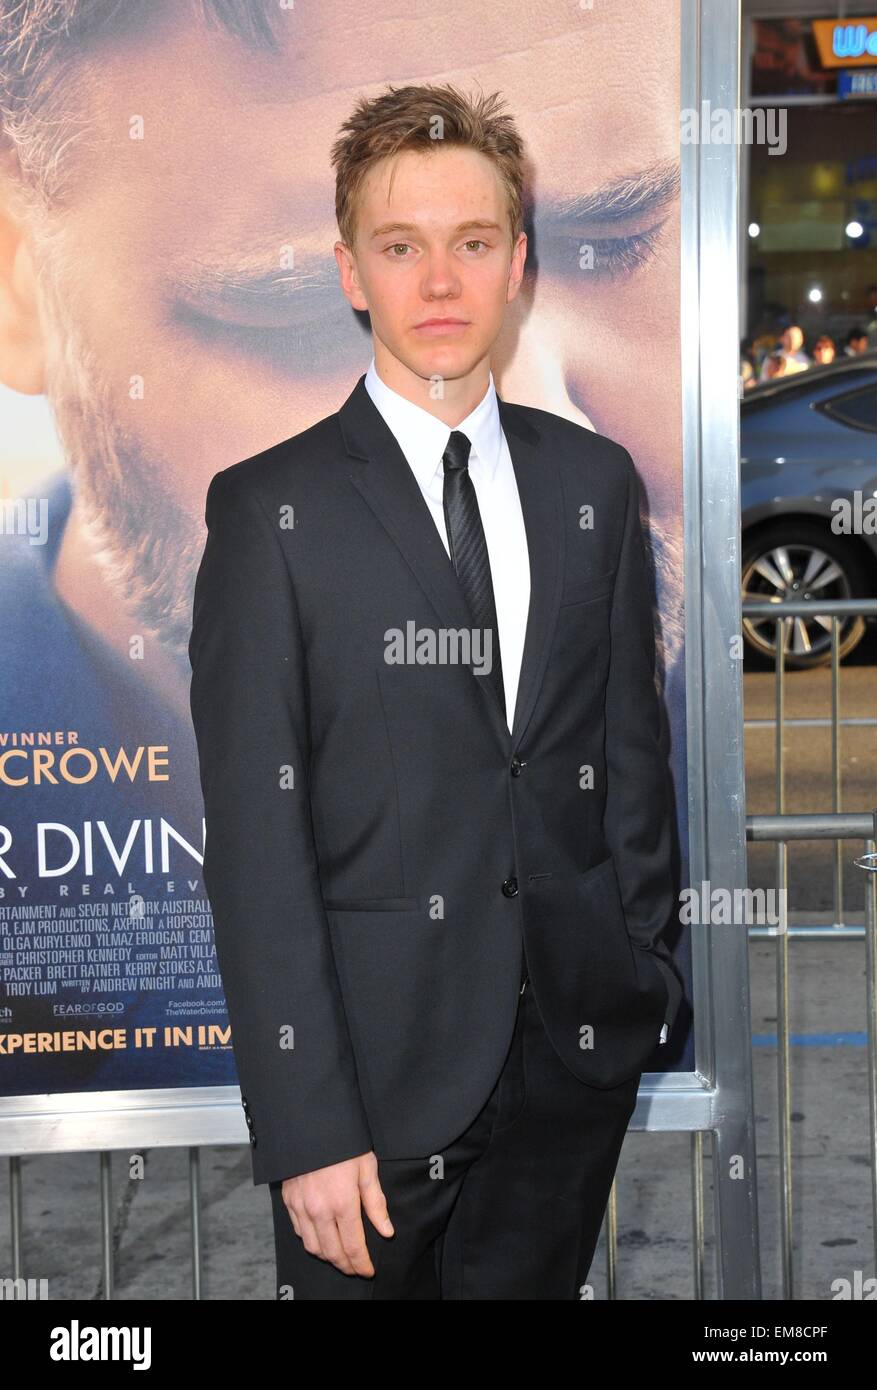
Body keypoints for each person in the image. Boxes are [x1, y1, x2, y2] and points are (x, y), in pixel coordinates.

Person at [189, 82, 683, 1301]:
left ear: (518, 263)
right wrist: (306, 1124)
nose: (441, 282)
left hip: (566, 1072)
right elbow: (257, 845)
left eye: (472, 244)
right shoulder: (270, 514)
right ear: (350, 271)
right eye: (401, 248)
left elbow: (628, 759)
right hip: (369, 1103)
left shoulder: (594, 484)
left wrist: (642, 977)